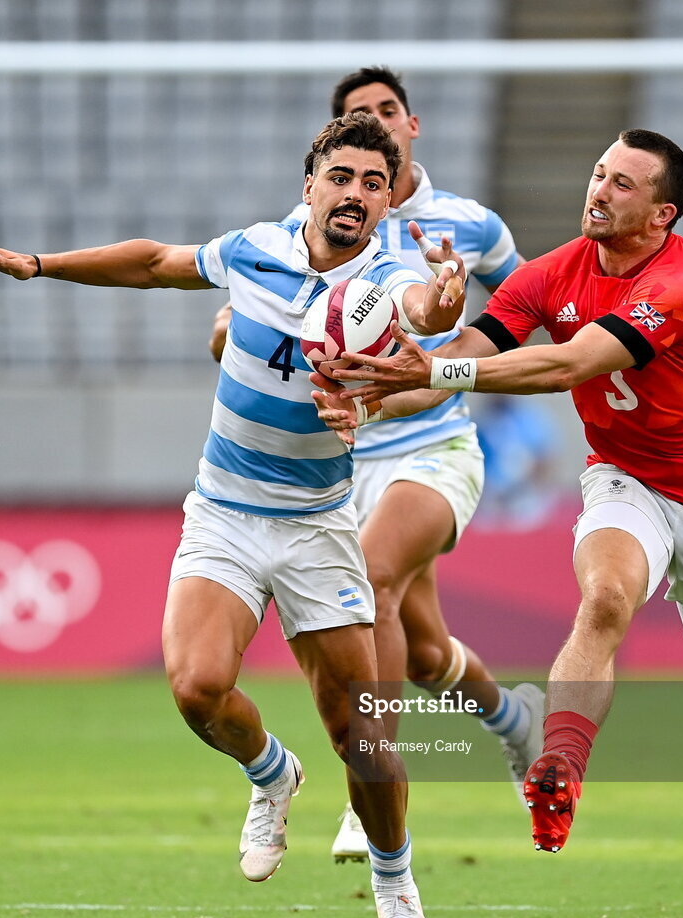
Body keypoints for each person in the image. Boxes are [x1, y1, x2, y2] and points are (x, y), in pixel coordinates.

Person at [0, 112, 469, 918]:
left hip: (314, 526)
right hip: (224, 513)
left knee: (363, 737)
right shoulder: (254, 249)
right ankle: (271, 774)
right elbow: (156, 264)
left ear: (388, 199)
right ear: (310, 186)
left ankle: (395, 878)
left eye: (375, 182)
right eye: (342, 177)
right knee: (195, 688)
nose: (356, 194)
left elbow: (427, 313)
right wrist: (38, 265)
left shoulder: (384, 282)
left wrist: (442, 299)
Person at [316, 128, 683, 854]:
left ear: (663, 214)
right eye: (599, 173)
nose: (599, 189)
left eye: (624, 183)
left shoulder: (679, 285)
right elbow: (465, 353)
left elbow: (567, 366)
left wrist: (434, 374)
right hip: (627, 480)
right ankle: (558, 768)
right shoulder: (554, 270)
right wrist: (372, 397)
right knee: (605, 599)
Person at [210, 66, 544, 864]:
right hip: (336, 461)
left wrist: (451, 362)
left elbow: (526, 306)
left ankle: (371, 784)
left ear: (412, 126)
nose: (378, 127)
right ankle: (513, 719)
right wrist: (231, 340)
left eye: (387, 113)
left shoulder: (468, 224)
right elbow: (236, 330)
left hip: (433, 448)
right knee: (424, 654)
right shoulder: (310, 222)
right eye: (358, 119)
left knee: (374, 574)